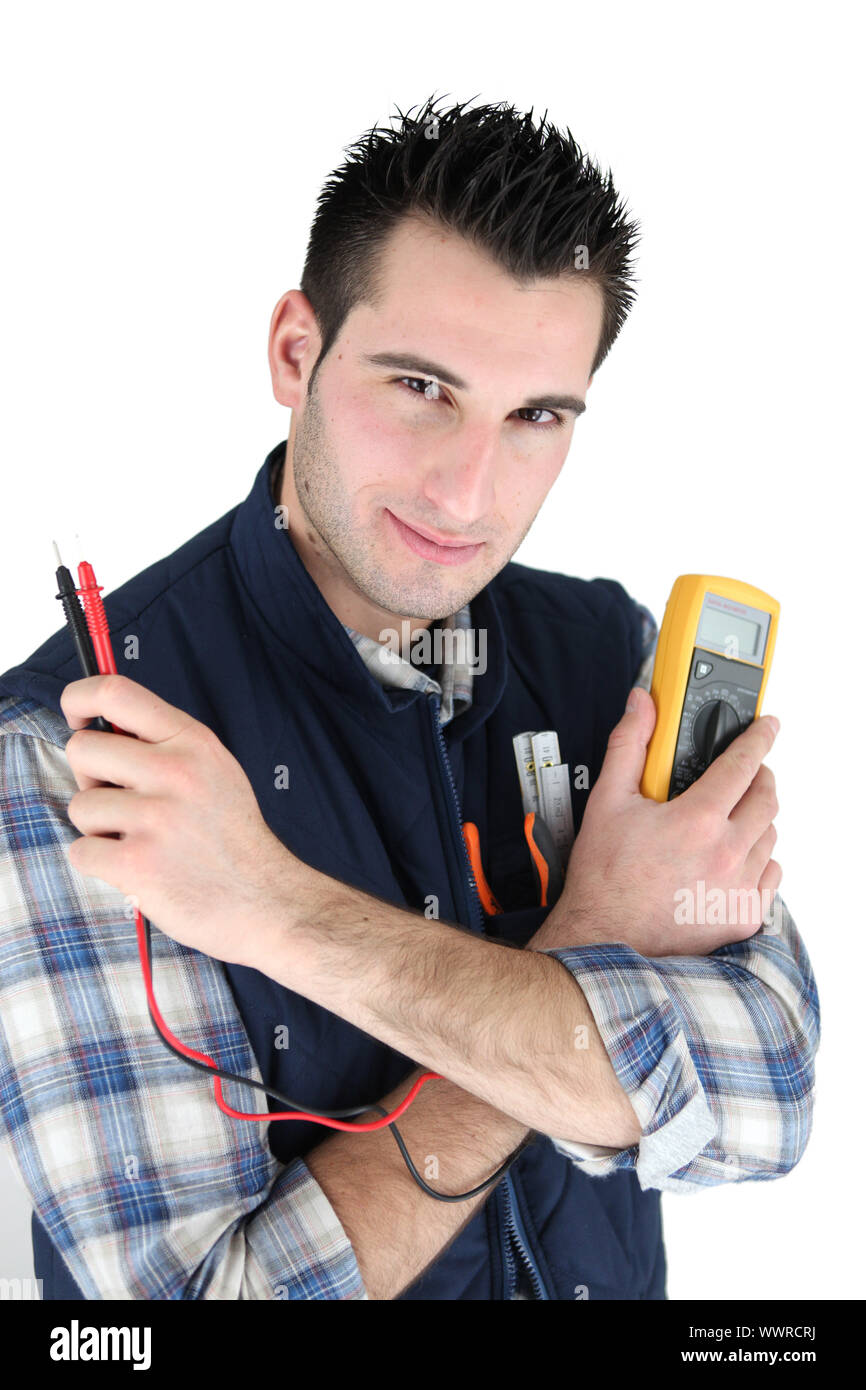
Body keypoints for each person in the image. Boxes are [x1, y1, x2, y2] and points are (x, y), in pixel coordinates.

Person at [0, 95, 819, 1301]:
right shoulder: (81, 742)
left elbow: (764, 1101)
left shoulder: (607, 658)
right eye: (422, 388)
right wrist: (586, 969)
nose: (466, 490)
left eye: (536, 415)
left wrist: (273, 908)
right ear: (295, 351)